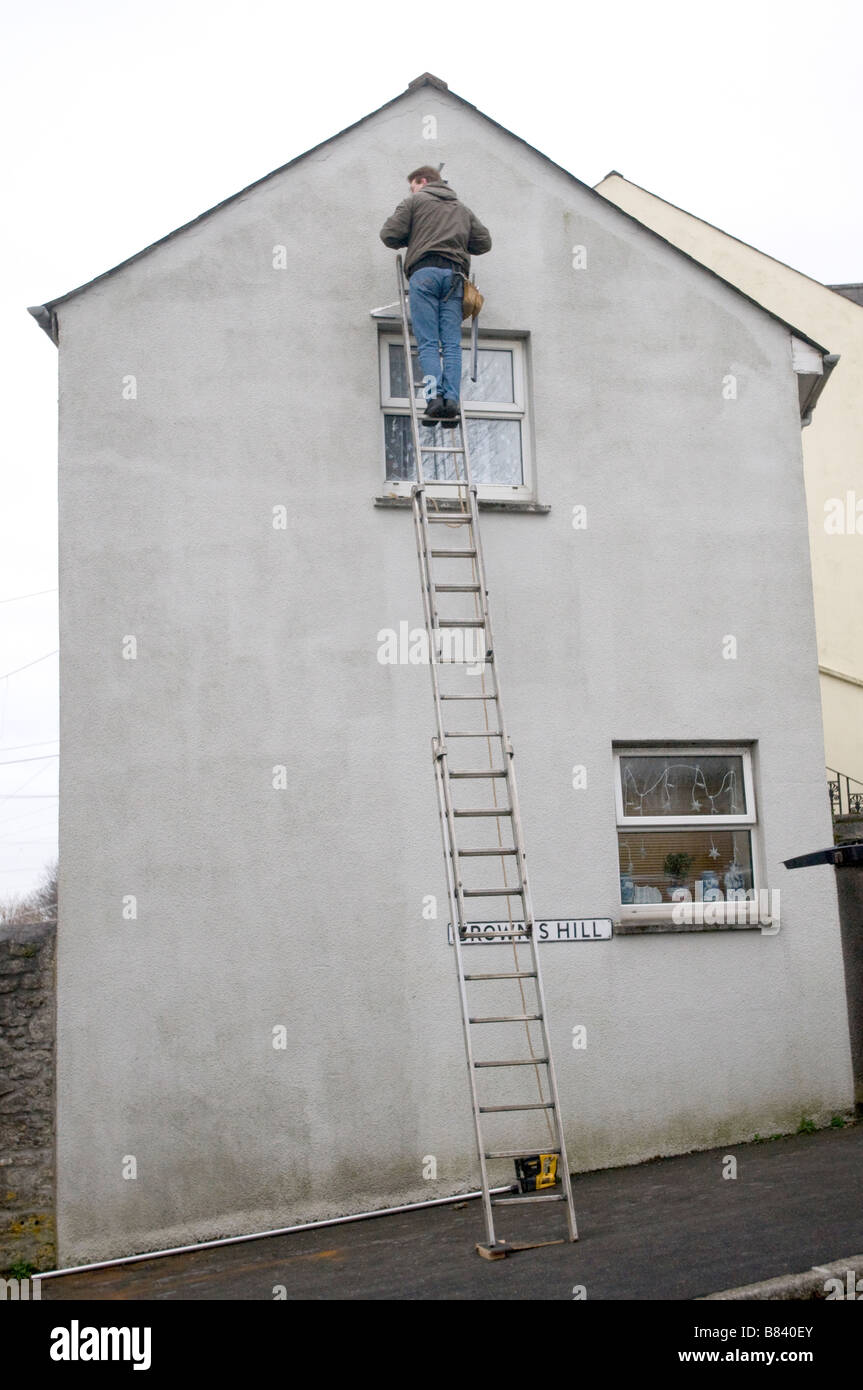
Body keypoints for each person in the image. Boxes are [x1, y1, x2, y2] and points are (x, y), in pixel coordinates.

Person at [380, 166, 491, 427]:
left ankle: (433, 400)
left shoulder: (415, 202)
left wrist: (414, 236)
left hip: (425, 274)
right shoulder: (462, 209)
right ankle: (451, 400)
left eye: (413, 185)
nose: (412, 190)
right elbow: (483, 242)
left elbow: (389, 235)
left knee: (428, 342)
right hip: (454, 277)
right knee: (451, 343)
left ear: (422, 181)